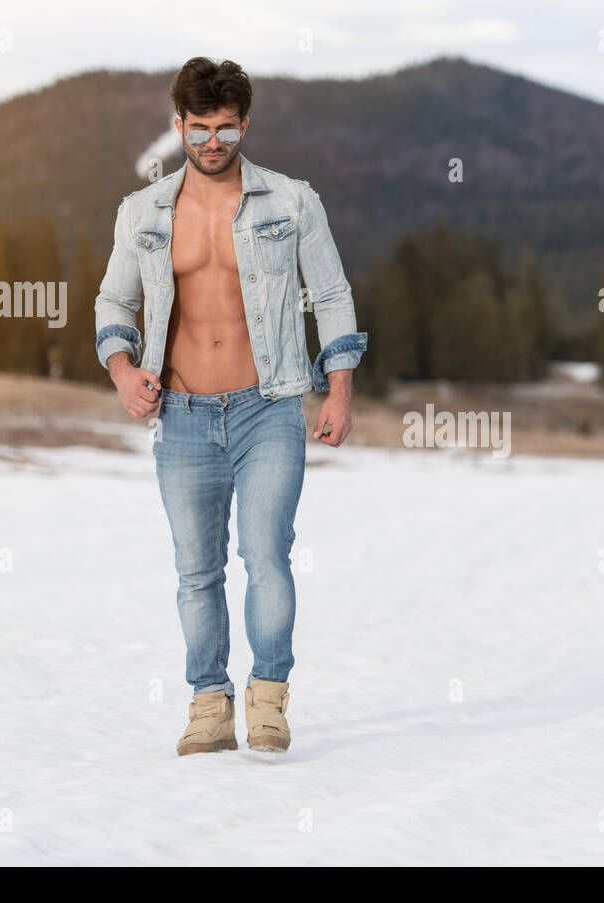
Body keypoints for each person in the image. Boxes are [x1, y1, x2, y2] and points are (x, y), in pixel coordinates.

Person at [94, 56, 367, 756]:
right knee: (196, 568)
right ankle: (209, 705)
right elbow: (114, 301)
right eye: (198, 129)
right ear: (177, 125)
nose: (212, 143)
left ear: (244, 124)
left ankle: (269, 698)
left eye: (225, 128)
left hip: (268, 406)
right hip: (181, 414)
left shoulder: (293, 201)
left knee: (268, 553)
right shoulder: (142, 212)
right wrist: (124, 371)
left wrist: (338, 388)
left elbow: (332, 295)